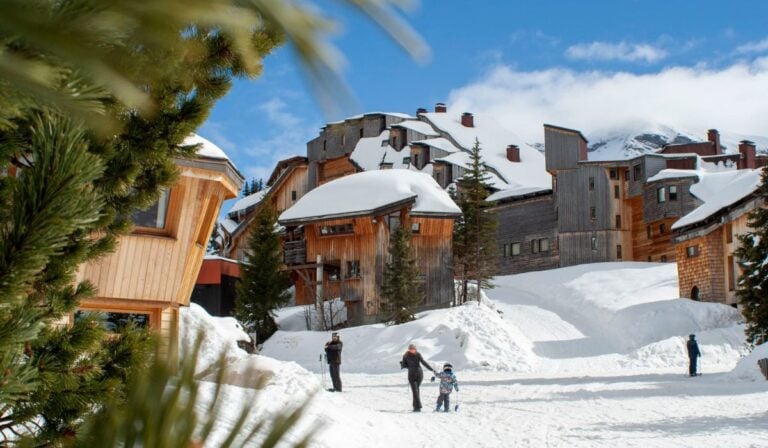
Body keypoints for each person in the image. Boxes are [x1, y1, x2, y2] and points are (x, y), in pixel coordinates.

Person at [400, 344, 435, 412]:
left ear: (415, 349)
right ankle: (417, 407)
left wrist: (431, 369)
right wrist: (403, 364)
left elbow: (423, 362)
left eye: (413, 349)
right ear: (408, 349)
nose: (412, 350)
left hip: (419, 374)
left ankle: (416, 407)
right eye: (410, 349)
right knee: (415, 391)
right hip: (412, 375)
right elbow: (404, 365)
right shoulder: (405, 356)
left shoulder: (418, 354)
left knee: (416, 390)